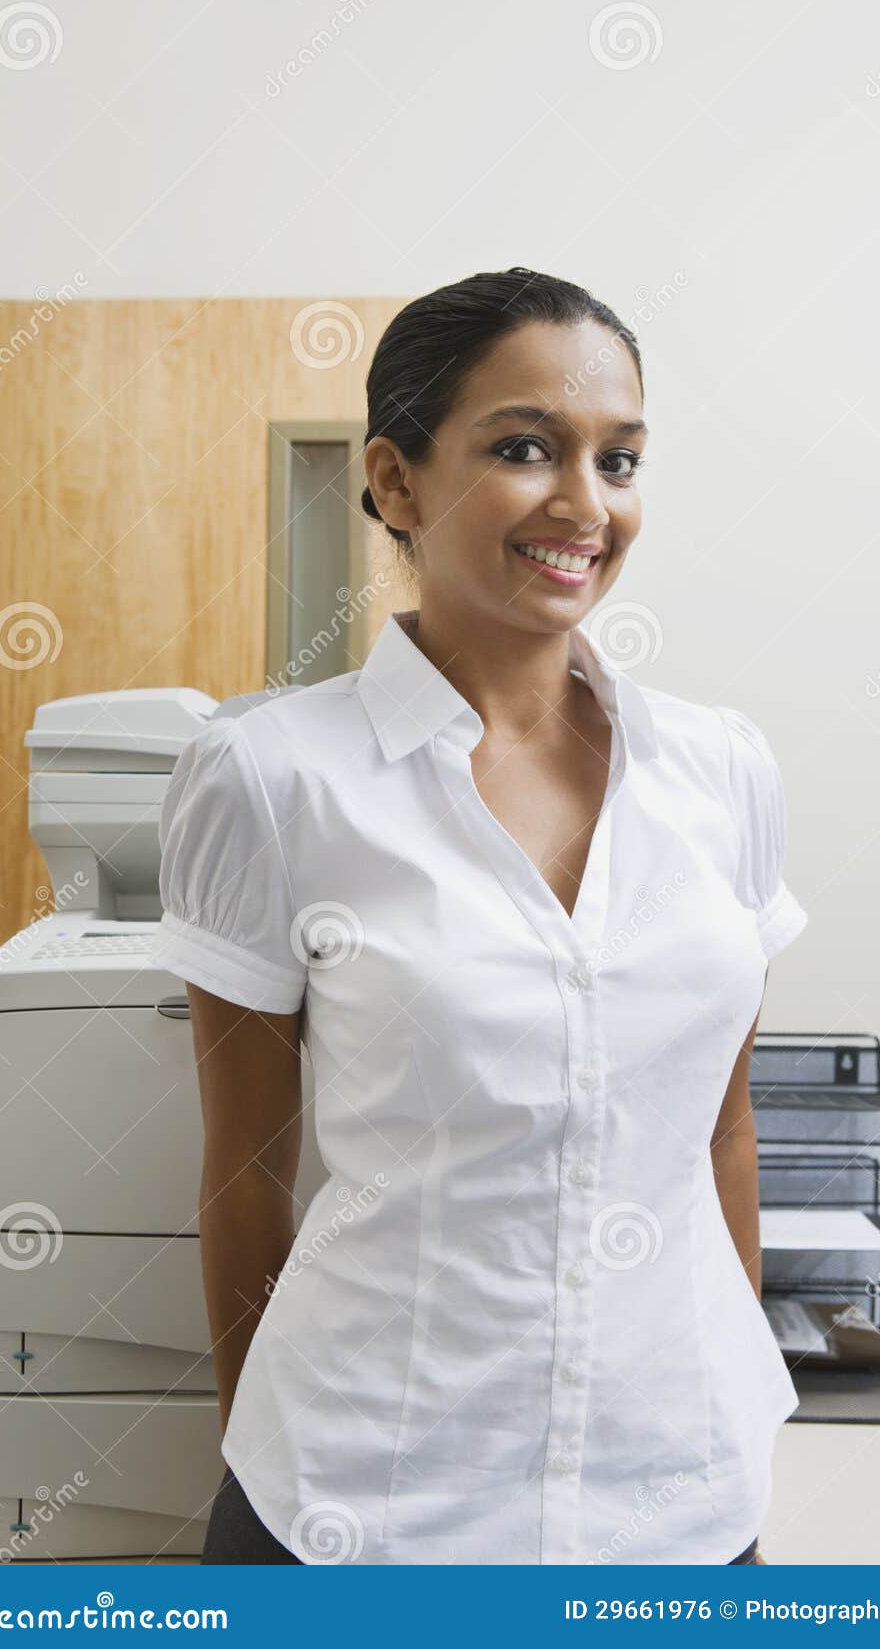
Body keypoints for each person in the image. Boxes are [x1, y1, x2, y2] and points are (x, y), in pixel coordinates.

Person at [150, 267, 807, 1566]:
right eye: (523, 447)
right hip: (367, 1503)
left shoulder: (721, 770)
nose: (584, 502)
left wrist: (736, 1428)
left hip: (674, 1502)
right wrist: (273, 1453)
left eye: (617, 458)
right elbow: (245, 1168)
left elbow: (721, 1133)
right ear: (394, 481)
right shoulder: (273, 777)